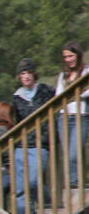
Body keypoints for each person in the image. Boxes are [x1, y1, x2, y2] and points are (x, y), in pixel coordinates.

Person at [54, 42, 88, 185]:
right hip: (64, 117)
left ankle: (74, 186)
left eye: (71, 56)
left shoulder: (86, 71)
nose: (68, 59)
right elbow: (58, 95)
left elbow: (87, 92)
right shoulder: (63, 75)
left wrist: (75, 95)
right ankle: (71, 184)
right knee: (67, 155)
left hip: (81, 116)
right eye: (66, 57)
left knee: (73, 154)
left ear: (78, 55)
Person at [11, 57, 54, 123]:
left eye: (29, 72)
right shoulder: (17, 98)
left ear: (34, 74)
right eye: (23, 73)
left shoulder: (46, 90)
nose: (26, 76)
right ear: (19, 76)